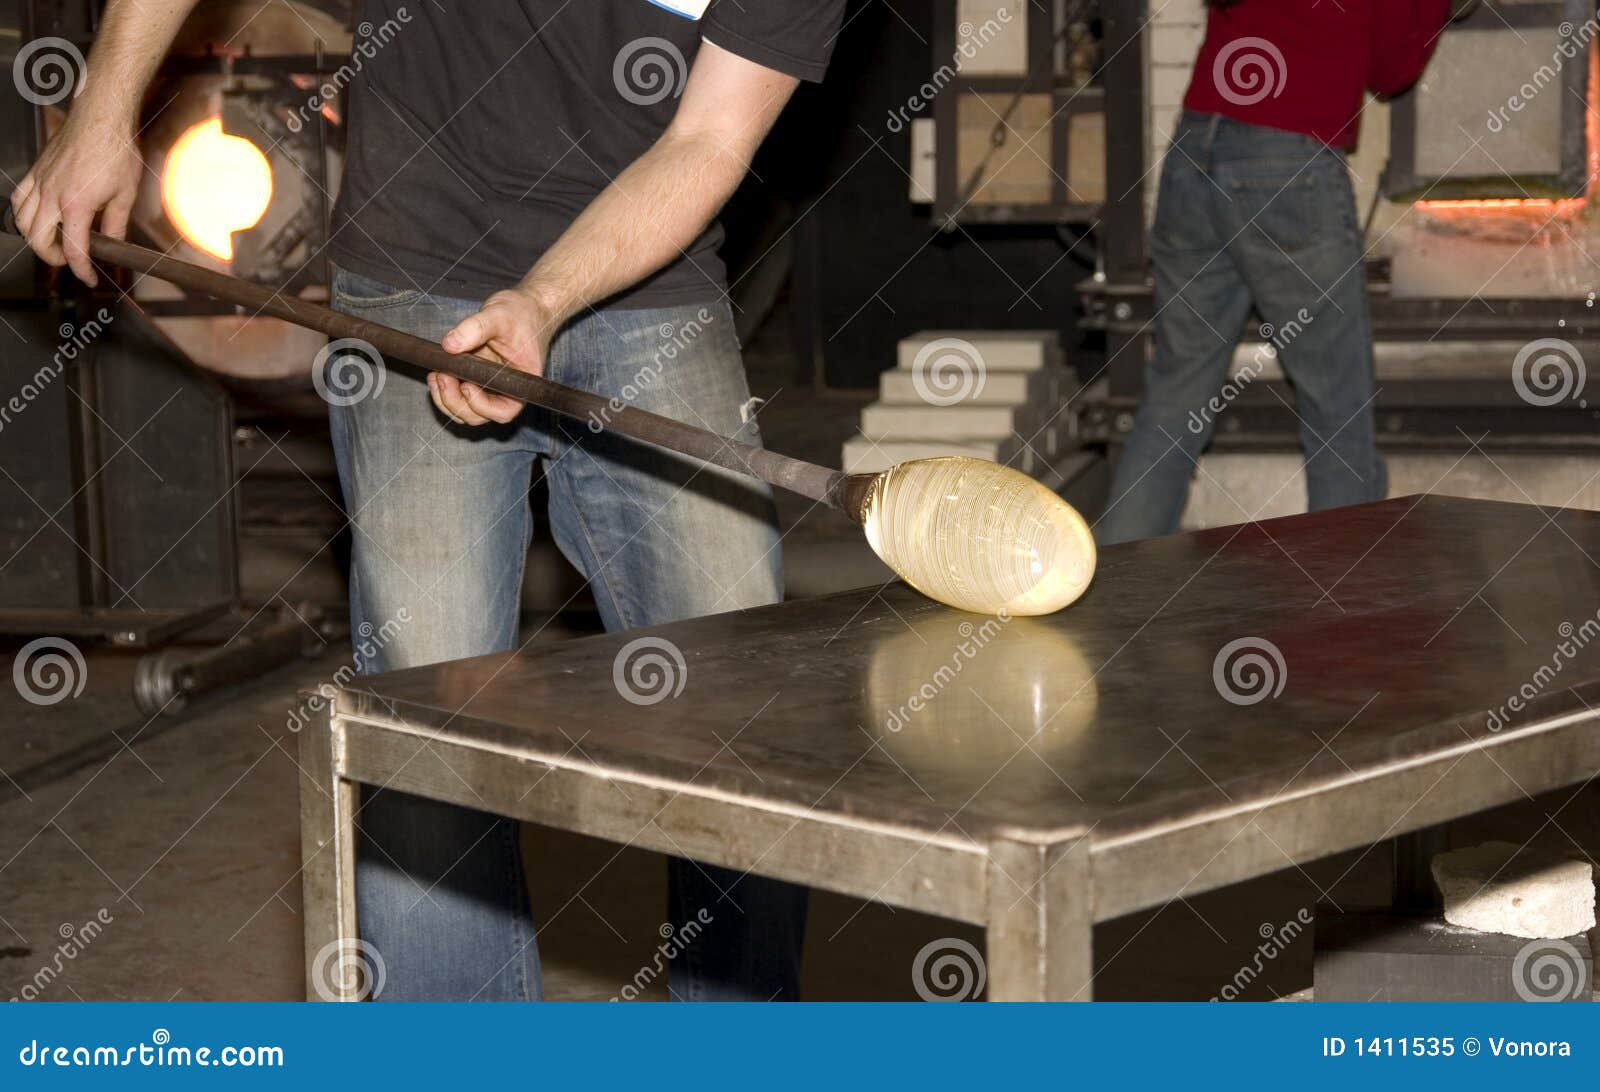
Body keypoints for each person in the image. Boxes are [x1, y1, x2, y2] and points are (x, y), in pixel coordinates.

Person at [14, 0, 845, 1001]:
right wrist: (104, 113)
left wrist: (540, 300)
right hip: (417, 260)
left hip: (652, 287)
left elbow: (710, 135)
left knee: (740, 695)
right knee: (429, 709)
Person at [1096, 0, 1451, 544]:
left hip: (1195, 152)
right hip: (1287, 161)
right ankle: (1345, 608)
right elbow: (1391, 73)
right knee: (1337, 407)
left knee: (1176, 392)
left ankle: (1110, 598)